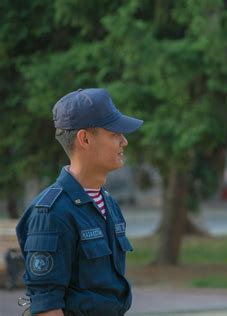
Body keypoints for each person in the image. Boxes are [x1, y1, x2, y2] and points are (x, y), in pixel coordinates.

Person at [16, 88, 143, 316]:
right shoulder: (52, 212)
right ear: (84, 138)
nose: (124, 141)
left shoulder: (108, 203)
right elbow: (47, 305)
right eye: (114, 134)